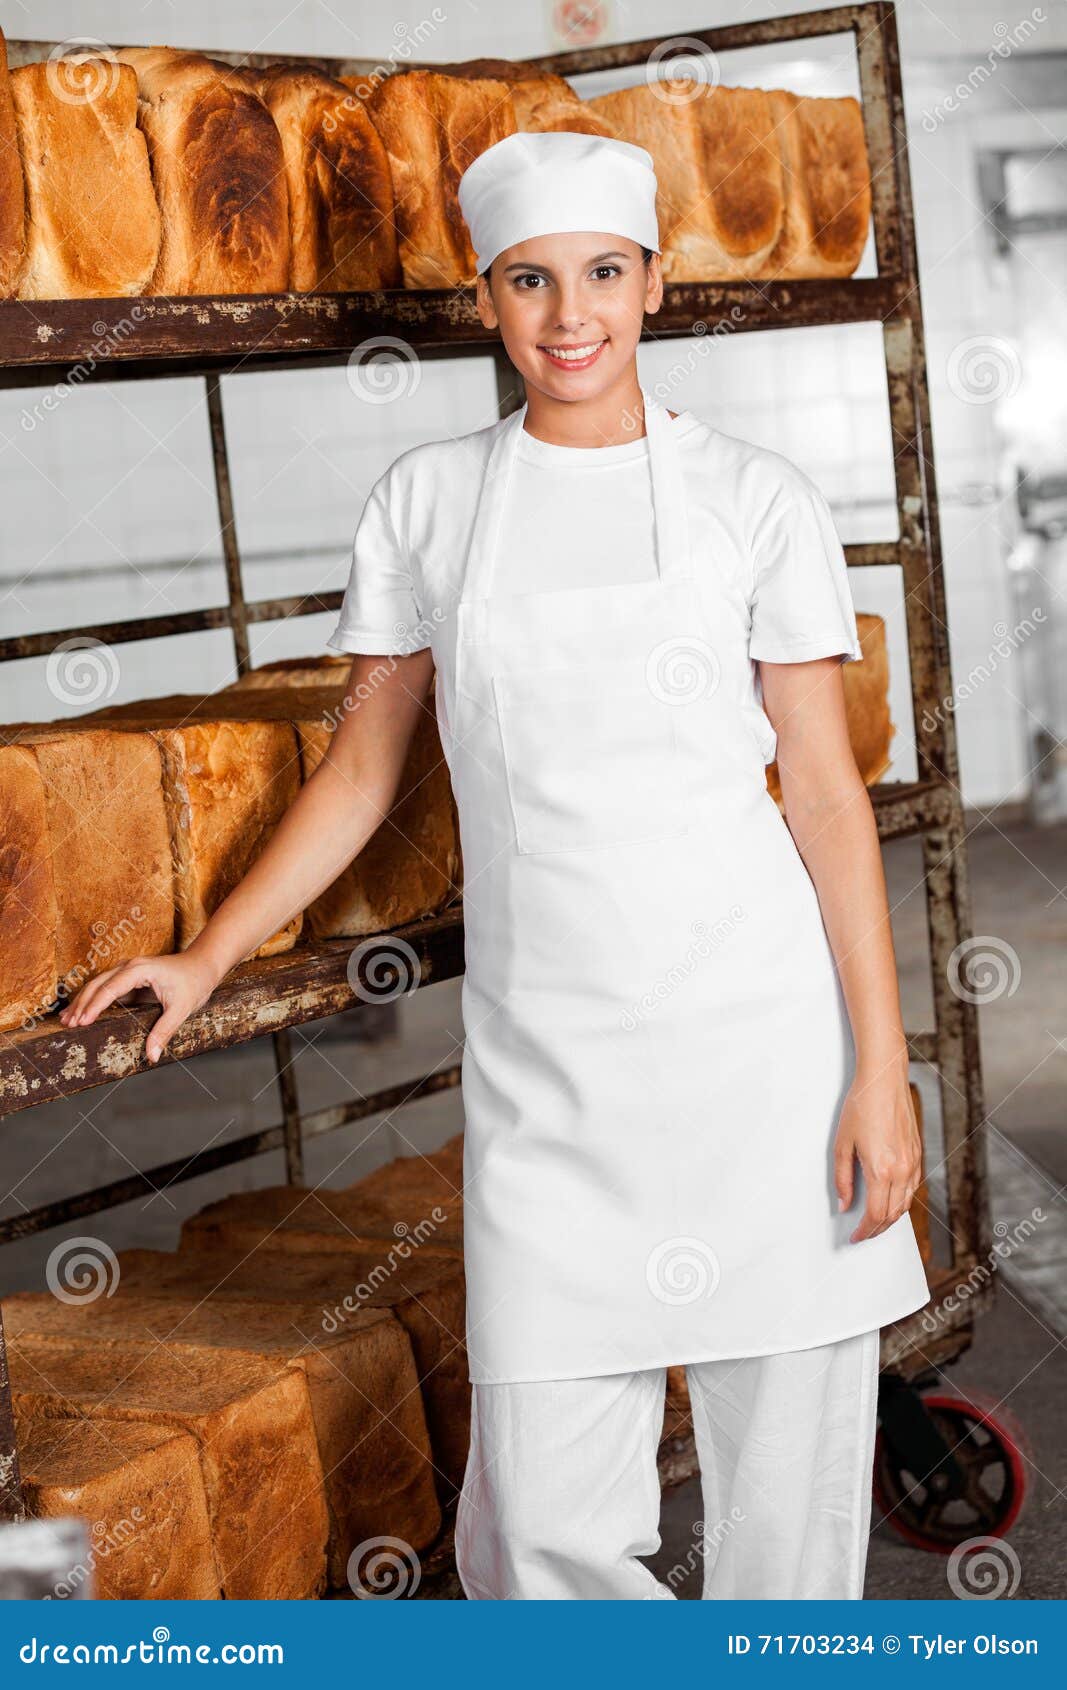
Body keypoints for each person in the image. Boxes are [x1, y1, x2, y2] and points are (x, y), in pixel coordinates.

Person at [60, 130, 930, 1601]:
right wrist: (212, 954)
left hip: (764, 1053)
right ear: (485, 299)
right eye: (531, 279)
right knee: (538, 1535)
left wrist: (880, 1065)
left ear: (655, 284)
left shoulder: (756, 498)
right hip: (550, 1077)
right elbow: (361, 768)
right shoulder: (429, 500)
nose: (569, 312)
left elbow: (829, 800)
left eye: (601, 271)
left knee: (792, 1535)